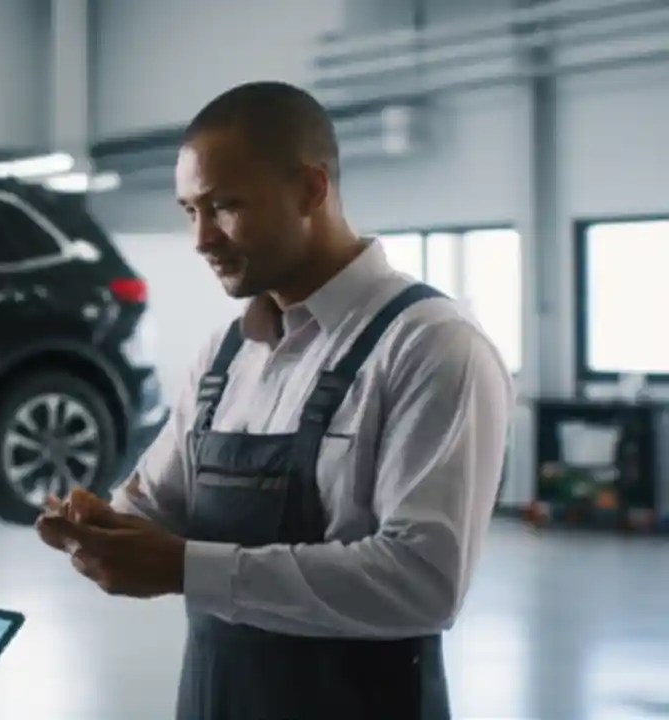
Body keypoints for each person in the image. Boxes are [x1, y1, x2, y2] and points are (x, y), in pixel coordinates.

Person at [37, 81, 514, 719]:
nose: (202, 238)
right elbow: (157, 501)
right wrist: (100, 526)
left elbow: (423, 582)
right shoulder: (226, 355)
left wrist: (188, 569)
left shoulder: (430, 346)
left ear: (311, 190)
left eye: (226, 205)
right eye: (189, 211)